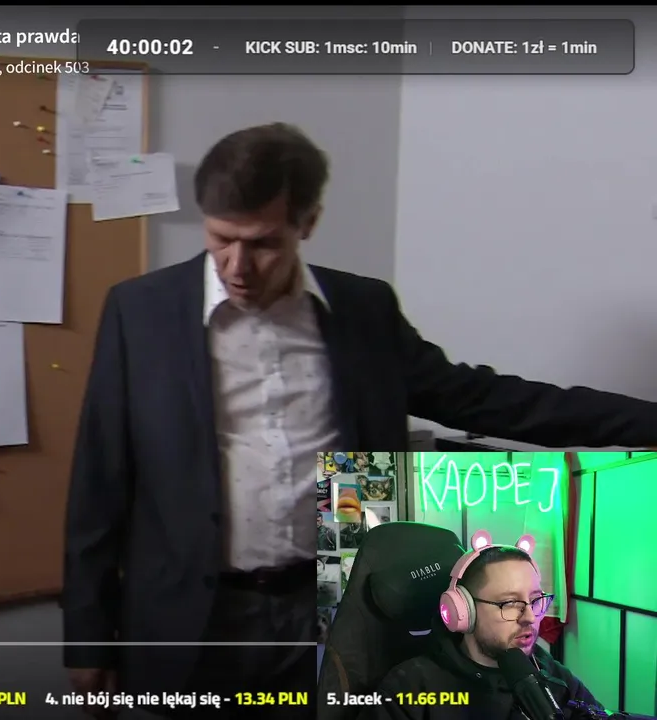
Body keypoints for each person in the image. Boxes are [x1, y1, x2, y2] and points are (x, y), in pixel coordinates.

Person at [62, 123, 657, 718]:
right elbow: (98, 484)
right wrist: (86, 639)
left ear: (308, 223)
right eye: (221, 239)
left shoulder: (364, 310)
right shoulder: (140, 312)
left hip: (329, 609)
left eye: (263, 244)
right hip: (189, 620)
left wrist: (643, 423)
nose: (236, 266)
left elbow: (485, 398)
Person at [359, 546, 600, 719]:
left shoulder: (547, 671)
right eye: (509, 603)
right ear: (463, 611)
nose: (530, 617)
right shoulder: (410, 688)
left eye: (536, 600)